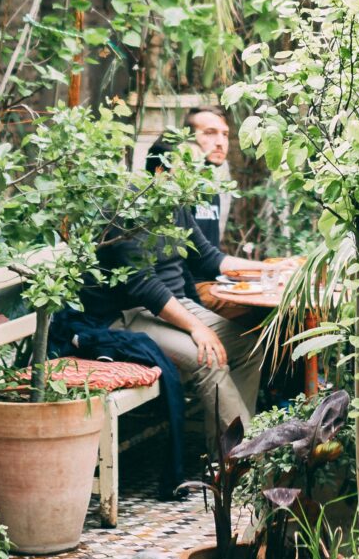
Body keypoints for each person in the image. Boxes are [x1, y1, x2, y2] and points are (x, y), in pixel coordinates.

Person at [74, 112, 261, 462]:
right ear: (162, 168)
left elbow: (206, 259)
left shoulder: (175, 200)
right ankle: (249, 458)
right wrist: (198, 327)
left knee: (250, 346)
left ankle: (223, 454)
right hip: (126, 315)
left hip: (172, 307)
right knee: (209, 357)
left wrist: (268, 269)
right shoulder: (131, 202)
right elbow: (143, 286)